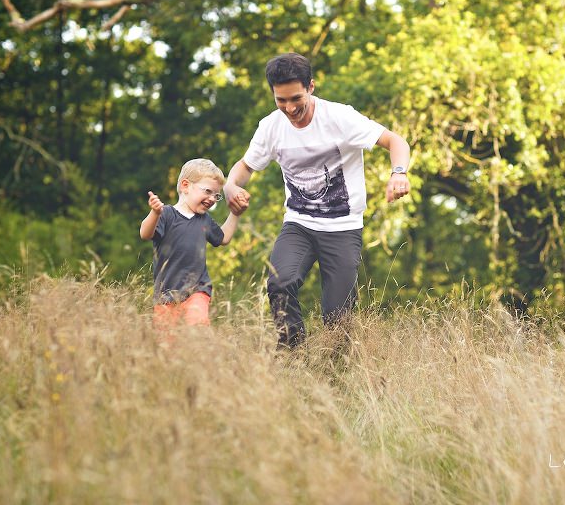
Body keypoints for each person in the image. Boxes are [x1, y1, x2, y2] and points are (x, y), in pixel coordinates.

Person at [224, 52, 411, 349]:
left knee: (338, 319)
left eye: (296, 98)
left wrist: (398, 173)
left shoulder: (339, 117)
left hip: (343, 227)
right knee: (279, 283)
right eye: (281, 100)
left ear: (311, 86)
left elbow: (395, 141)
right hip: (299, 224)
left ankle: (332, 378)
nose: (289, 108)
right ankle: (292, 352)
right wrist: (230, 186)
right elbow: (245, 167)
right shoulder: (271, 126)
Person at [140, 158, 239, 329]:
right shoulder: (167, 214)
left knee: (197, 327)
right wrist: (155, 213)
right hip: (166, 294)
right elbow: (145, 233)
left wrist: (235, 213)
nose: (212, 199)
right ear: (186, 186)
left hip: (198, 290)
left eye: (216, 195)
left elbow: (223, 238)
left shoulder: (205, 220)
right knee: (167, 343)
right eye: (207, 191)